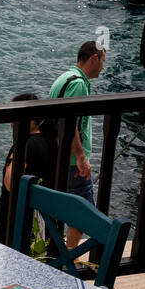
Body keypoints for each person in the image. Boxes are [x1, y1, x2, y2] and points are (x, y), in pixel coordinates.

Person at [49, 40, 106, 251]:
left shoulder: (64, 78)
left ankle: (62, 256)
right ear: (94, 58)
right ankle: (70, 258)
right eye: (102, 61)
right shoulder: (78, 83)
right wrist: (82, 157)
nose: (103, 67)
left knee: (66, 211)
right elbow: (69, 122)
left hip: (60, 157)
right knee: (86, 216)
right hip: (72, 162)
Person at [0, 93, 58, 244]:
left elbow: (10, 184)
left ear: (30, 120)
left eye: (14, 117)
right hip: (41, 220)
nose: (11, 122)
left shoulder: (25, 146)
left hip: (15, 221)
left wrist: (15, 151)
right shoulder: (49, 140)